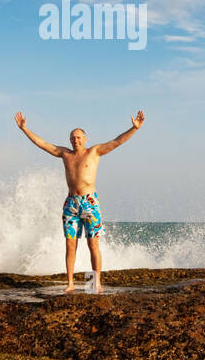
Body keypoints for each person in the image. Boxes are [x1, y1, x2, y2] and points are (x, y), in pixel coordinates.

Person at [14, 110, 145, 293]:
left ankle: (94, 283)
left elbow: (117, 141)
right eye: (73, 138)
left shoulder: (95, 152)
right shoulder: (65, 154)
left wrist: (134, 128)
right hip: (71, 203)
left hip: (90, 202)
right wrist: (24, 129)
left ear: (85, 138)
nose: (76, 140)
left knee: (93, 244)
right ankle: (70, 284)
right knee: (70, 243)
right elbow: (43, 144)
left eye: (78, 137)